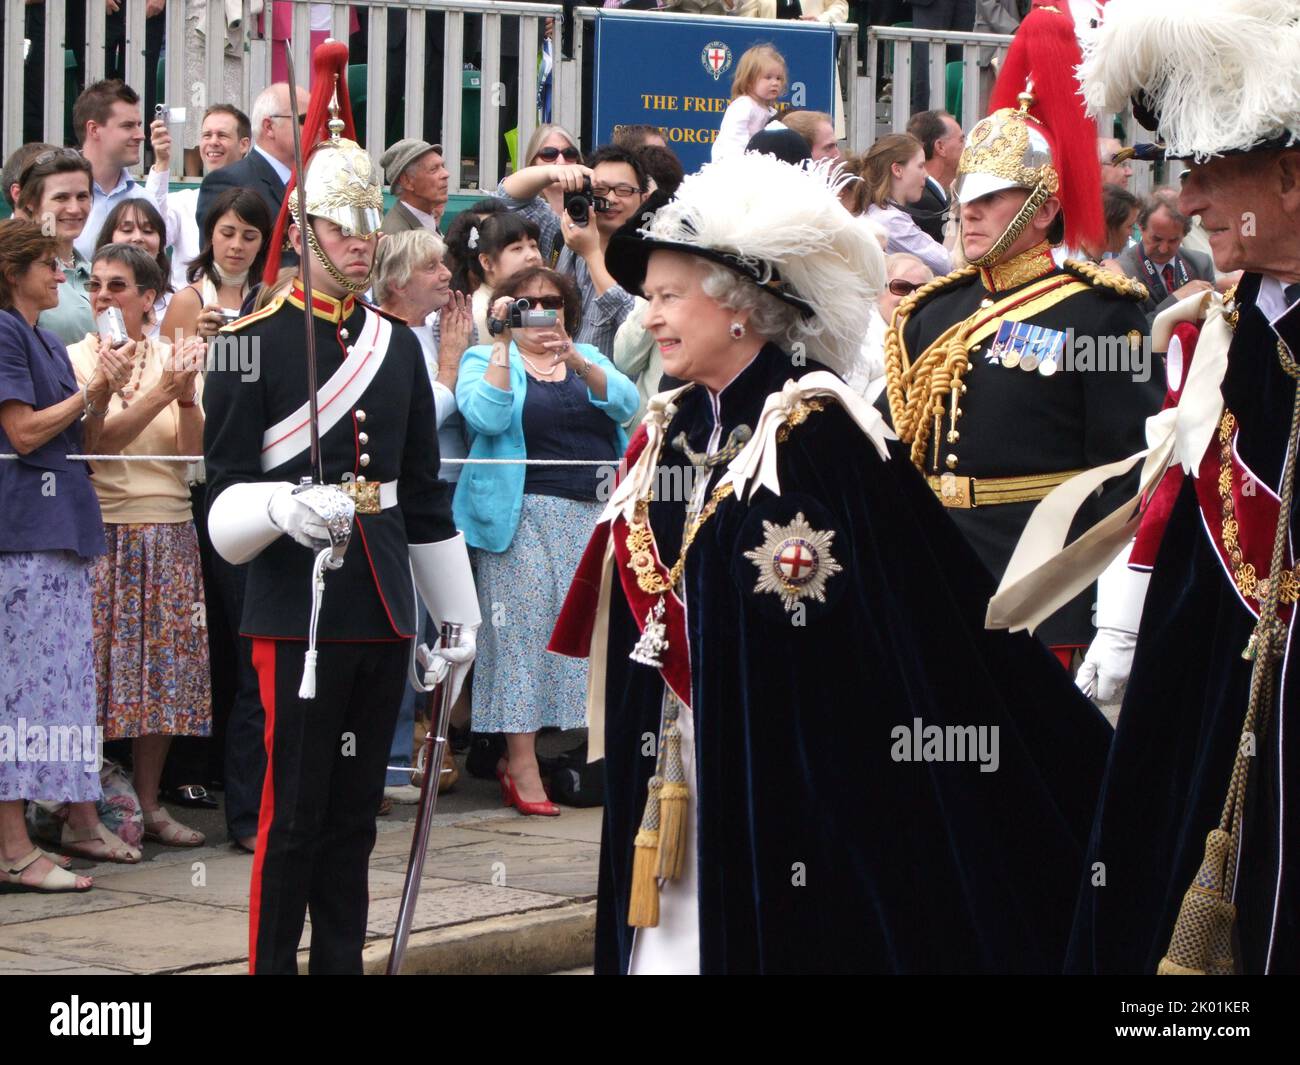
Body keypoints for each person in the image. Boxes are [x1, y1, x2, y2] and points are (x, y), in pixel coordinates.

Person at [548, 150, 1112, 974]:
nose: (653, 318)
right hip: (673, 765)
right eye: (652, 297)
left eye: (671, 297)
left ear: (741, 307)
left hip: (786, 787)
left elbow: (867, 645)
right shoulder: (669, 429)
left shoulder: (816, 433)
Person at [1011, 0, 1300, 975]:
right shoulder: (1234, 326)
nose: (1190, 199)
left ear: (1292, 176)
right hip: (1210, 720)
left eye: (1214, 172)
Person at [202, 45, 479, 973]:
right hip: (298, 604)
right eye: (345, 228)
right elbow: (222, 501)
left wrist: (459, 612)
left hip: (383, 599)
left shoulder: (396, 347)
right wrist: (285, 503)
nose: (363, 243)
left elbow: (422, 492)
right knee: (296, 815)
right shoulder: (249, 344)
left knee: (356, 817)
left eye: (371, 229)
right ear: (306, 228)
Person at [882, 2, 1162, 668]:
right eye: (966, 196)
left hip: (1044, 585)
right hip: (939, 574)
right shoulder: (932, 312)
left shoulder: (1100, 313)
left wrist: (1110, 609)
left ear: (1045, 211)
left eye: (993, 198)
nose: (968, 211)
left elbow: (1126, 475)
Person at [456, 266, 637, 816]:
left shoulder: (588, 358)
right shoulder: (483, 359)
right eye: (526, 304)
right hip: (521, 517)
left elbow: (627, 405)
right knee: (520, 638)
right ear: (507, 311)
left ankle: (588, 753)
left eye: (551, 303)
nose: (541, 313)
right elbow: (484, 417)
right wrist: (500, 346)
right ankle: (522, 762)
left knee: (590, 639)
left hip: (595, 516)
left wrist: (576, 360)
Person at [0, 219, 137, 890]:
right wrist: (89, 392)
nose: (63, 276)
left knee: (62, 694)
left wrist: (106, 387)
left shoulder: (43, 340)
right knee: (21, 697)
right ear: (14, 270)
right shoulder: (3, 331)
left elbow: (88, 441)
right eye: (51, 265)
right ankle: (15, 847)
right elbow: (25, 433)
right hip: (24, 535)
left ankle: (71, 824)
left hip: (60, 532)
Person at [65, 245, 213, 850]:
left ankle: (149, 806)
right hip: (99, 530)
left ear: (150, 299)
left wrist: (180, 395)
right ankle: (84, 811)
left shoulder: (172, 358)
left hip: (168, 525)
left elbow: (192, 455)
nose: (102, 295)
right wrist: (144, 392)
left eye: (118, 286)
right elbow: (93, 447)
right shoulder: (73, 357)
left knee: (162, 676)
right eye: (95, 284)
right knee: (90, 677)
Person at [374, 229, 475, 800]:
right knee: (402, 629)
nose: (445, 275)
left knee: (439, 634)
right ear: (396, 282)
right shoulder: (383, 334)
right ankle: (387, 766)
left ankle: (419, 755)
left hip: (440, 503)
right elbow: (411, 423)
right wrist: (451, 367)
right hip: (394, 509)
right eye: (431, 267)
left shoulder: (437, 329)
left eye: (445, 264)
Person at [494, 145, 645, 357]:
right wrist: (553, 173)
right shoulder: (565, 235)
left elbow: (634, 327)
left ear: (643, 198)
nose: (610, 199)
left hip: (610, 386)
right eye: (600, 190)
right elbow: (508, 199)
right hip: (557, 381)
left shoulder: (648, 259)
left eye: (623, 190)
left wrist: (591, 253)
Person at [151, 105, 253, 292]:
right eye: (207, 135)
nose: (213, 142)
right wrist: (161, 162)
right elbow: (151, 233)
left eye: (222, 135)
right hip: (187, 315)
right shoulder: (182, 202)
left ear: (244, 144)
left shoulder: (257, 204)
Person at [159, 189, 272, 347]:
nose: (237, 245)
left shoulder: (271, 299)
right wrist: (201, 341)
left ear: (262, 243)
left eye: (249, 237)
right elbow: (170, 369)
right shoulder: (187, 301)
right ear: (211, 235)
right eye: (227, 234)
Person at [196, 82, 309, 232]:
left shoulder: (314, 180)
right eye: (305, 120)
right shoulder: (226, 183)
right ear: (269, 127)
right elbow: (221, 251)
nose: (317, 127)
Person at [16, 149, 96, 346]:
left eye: (82, 196)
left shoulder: (97, 270)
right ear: (30, 203)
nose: (74, 209)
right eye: (61, 198)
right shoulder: (17, 272)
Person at [71, 79, 150, 261]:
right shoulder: (50, 198)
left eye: (138, 125)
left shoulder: (145, 200)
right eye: (128, 126)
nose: (140, 135)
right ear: (94, 129)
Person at [1113, 192, 1215, 323]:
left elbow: (1212, 322)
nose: (1163, 249)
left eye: (1173, 241)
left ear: (1184, 234)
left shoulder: (1201, 264)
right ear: (1140, 228)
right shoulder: (1121, 273)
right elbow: (1133, 334)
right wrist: (1176, 300)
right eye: (1156, 239)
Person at [862, 133, 953, 276]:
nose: (926, 175)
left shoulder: (880, 212)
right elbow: (949, 264)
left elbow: (945, 258)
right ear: (898, 170)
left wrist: (954, 212)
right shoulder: (891, 221)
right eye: (920, 166)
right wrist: (958, 212)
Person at [94, 198, 174, 336]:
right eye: (127, 230)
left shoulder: (176, 303)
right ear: (109, 239)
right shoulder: (95, 297)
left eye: (148, 231)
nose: (138, 238)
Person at [467, 213, 544, 343]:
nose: (532, 256)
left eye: (533, 246)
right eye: (517, 248)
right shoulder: (483, 314)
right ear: (487, 262)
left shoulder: (527, 301)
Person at [712, 45, 787, 164]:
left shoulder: (772, 112)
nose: (775, 83)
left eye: (778, 78)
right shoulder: (743, 106)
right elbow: (733, 140)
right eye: (768, 77)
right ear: (749, 81)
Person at [903, 110, 964, 242]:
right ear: (940, 147)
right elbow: (944, 257)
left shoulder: (933, 195)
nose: (966, 148)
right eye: (961, 140)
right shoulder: (923, 201)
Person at [379, 139, 449, 235]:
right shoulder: (399, 237)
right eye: (433, 169)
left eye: (443, 166)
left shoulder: (423, 219)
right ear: (407, 181)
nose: (446, 174)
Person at [520, 124, 583, 220]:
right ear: (533, 162)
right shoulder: (523, 206)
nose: (561, 162)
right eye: (549, 154)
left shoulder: (590, 201)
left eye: (569, 153)